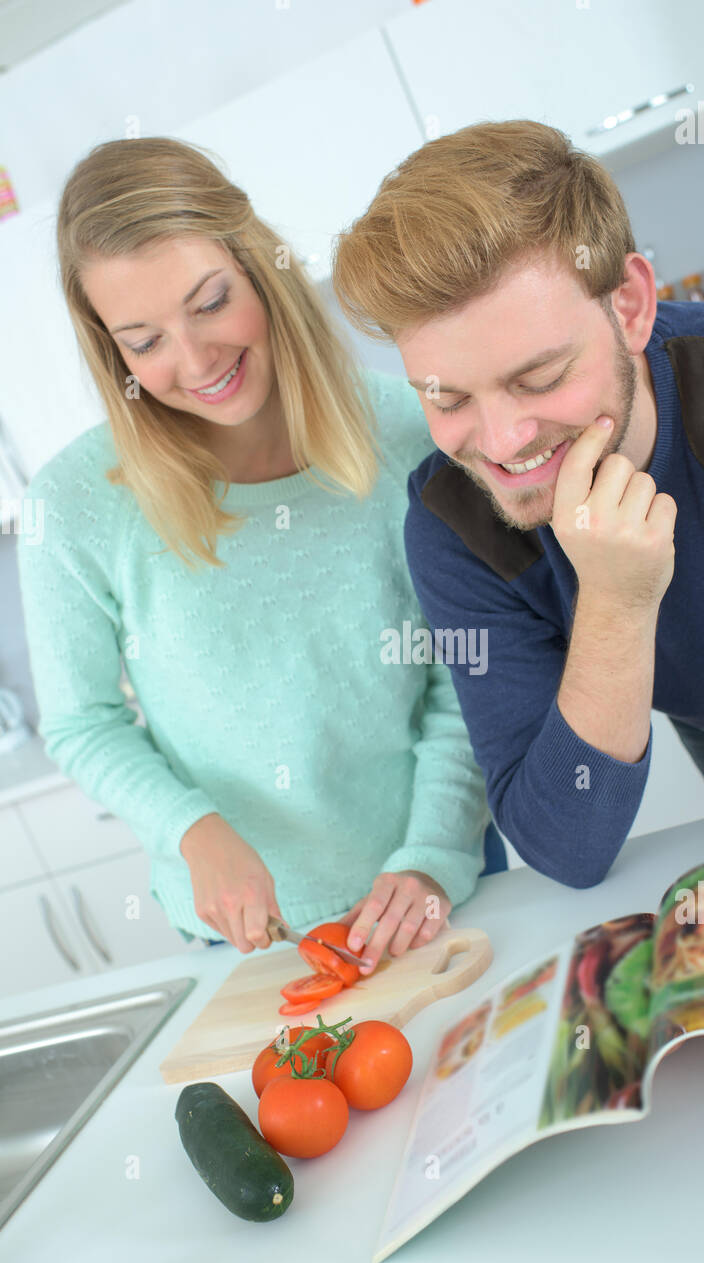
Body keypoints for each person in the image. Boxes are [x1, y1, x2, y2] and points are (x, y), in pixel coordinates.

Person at [331, 118, 704, 890]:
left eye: (539, 378)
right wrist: (615, 603)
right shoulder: (453, 524)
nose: (503, 441)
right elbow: (562, 846)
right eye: (446, 396)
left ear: (630, 306)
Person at [17, 136, 506, 969]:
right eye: (144, 341)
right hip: (245, 937)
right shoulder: (74, 505)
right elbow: (82, 722)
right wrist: (192, 829)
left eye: (211, 302)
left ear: (261, 270)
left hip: (434, 884)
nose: (195, 359)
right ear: (113, 353)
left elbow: (466, 674)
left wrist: (428, 854)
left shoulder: (409, 432)